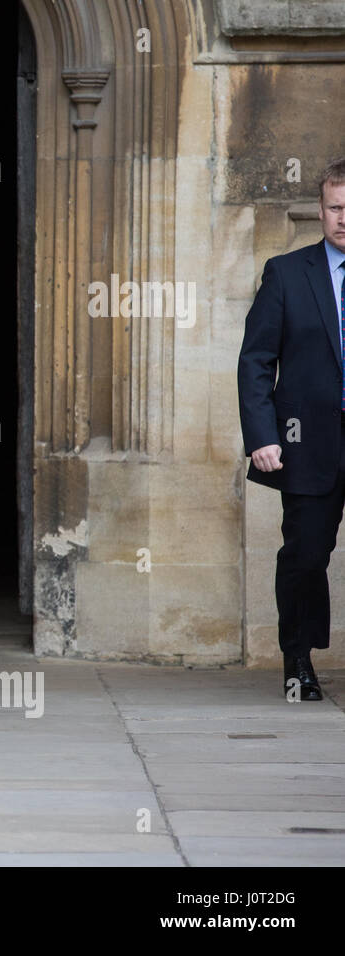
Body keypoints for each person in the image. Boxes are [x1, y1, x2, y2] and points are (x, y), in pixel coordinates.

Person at [238, 157, 345, 701]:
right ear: (321, 210)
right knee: (305, 555)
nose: (344, 218)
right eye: (335, 207)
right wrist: (262, 435)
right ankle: (298, 659)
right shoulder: (287, 272)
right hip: (308, 441)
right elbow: (256, 359)